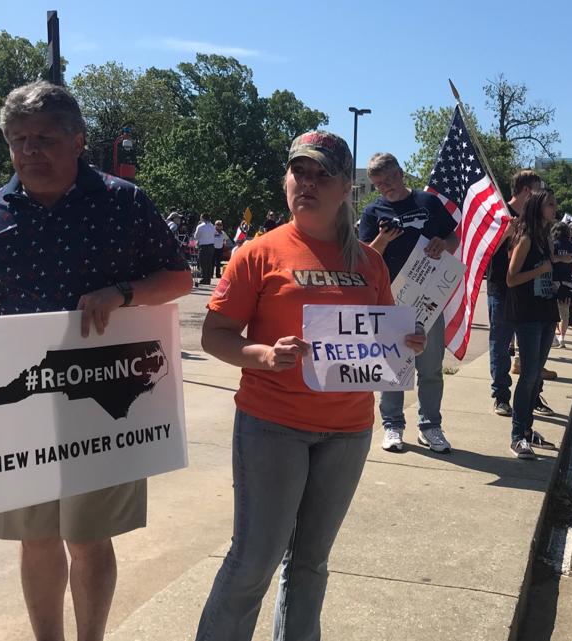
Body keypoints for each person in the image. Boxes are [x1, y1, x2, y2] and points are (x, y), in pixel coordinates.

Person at [0, 80, 192, 641]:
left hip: (101, 399)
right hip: (20, 397)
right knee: (36, 537)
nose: (32, 150)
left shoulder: (123, 203)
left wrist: (123, 293)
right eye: (20, 139)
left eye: (46, 138)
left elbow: (178, 277)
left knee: (88, 537)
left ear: (78, 140)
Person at [197, 130, 425, 638]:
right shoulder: (258, 254)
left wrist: (409, 341)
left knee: (311, 566)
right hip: (272, 425)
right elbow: (215, 335)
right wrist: (263, 356)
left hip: (347, 431)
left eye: (322, 174)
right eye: (299, 171)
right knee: (254, 560)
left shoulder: (368, 262)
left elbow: (387, 335)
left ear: (346, 187)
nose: (308, 183)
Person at [358, 151, 458, 453]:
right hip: (390, 297)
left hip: (428, 295)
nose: (385, 188)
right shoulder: (373, 211)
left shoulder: (427, 203)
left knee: (430, 366)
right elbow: (365, 255)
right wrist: (384, 239)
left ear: (400, 173)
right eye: (378, 184)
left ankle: (430, 426)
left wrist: (444, 245)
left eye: (389, 180)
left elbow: (452, 237)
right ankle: (392, 425)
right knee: (393, 366)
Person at [505, 190, 562, 460]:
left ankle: (527, 430)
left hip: (546, 311)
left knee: (536, 375)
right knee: (527, 377)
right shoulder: (526, 238)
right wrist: (540, 271)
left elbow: (545, 268)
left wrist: (553, 271)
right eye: (550, 205)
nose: (555, 208)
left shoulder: (544, 238)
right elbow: (511, 278)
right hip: (527, 315)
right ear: (538, 208)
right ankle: (517, 435)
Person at [488, 169, 545, 417]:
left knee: (531, 347)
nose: (541, 196)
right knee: (501, 345)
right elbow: (485, 254)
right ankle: (501, 395)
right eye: (538, 190)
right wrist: (504, 236)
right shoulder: (500, 215)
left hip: (529, 291)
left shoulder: (533, 218)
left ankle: (532, 395)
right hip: (501, 289)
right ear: (526, 191)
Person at [551, 222, 572, 348]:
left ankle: (552, 337)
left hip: (554, 280)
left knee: (551, 311)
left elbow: (550, 260)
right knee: (564, 312)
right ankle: (562, 338)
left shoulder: (554, 245)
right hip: (567, 280)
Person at [193, 213, 217, 286]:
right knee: (209, 263)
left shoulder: (200, 226)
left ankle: (204, 278)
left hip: (203, 246)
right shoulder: (213, 226)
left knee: (203, 263)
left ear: (202, 218)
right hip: (211, 246)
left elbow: (196, 236)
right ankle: (208, 278)